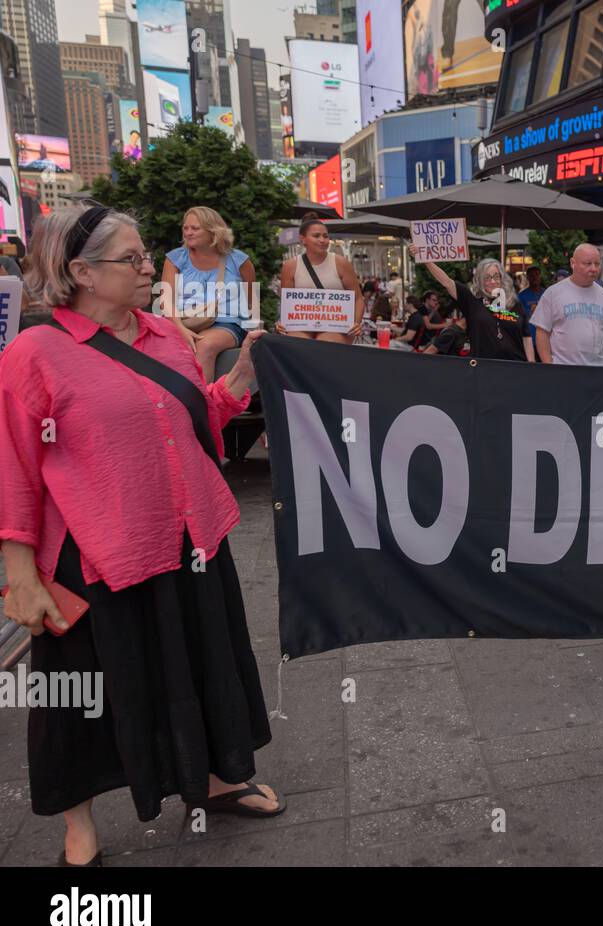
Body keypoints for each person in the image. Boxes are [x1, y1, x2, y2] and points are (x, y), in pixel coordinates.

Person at [0, 205, 283, 867]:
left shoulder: (166, 335)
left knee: (204, 661)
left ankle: (213, 778)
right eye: (131, 259)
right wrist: (20, 573)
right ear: (81, 272)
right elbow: (13, 467)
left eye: (144, 254)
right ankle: (79, 827)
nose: (149, 267)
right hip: (96, 552)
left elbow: (192, 421)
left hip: (190, 538)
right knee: (80, 698)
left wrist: (240, 377)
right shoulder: (34, 354)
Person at [159, 206, 257, 382]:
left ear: (213, 231)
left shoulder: (238, 260)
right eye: (185, 228)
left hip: (226, 323)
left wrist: (254, 332)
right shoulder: (175, 258)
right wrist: (181, 329)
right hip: (183, 320)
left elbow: (252, 302)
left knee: (204, 345)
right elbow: (165, 300)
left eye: (195, 228)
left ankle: (203, 406)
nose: (188, 232)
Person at [416, 256, 530, 362]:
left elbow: (526, 336)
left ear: (502, 278)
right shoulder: (472, 301)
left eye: (496, 276)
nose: (493, 281)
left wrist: (531, 363)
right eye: (487, 278)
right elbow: (446, 282)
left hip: (515, 367)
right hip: (483, 368)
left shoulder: (514, 303)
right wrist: (424, 259)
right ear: (480, 280)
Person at [277, 213, 363, 343]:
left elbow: (358, 299)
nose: (322, 240)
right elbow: (287, 303)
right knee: (295, 343)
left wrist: (356, 323)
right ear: (303, 239)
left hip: (336, 327)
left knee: (326, 344)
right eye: (316, 236)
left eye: (325, 236)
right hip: (301, 325)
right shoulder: (290, 266)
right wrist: (282, 322)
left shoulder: (341, 263)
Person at [531, 244, 603, 366]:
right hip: (564, 371)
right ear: (573, 263)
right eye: (588, 263)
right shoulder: (553, 293)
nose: (593, 269)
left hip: (600, 371)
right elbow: (541, 332)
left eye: (597, 264)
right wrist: (549, 366)